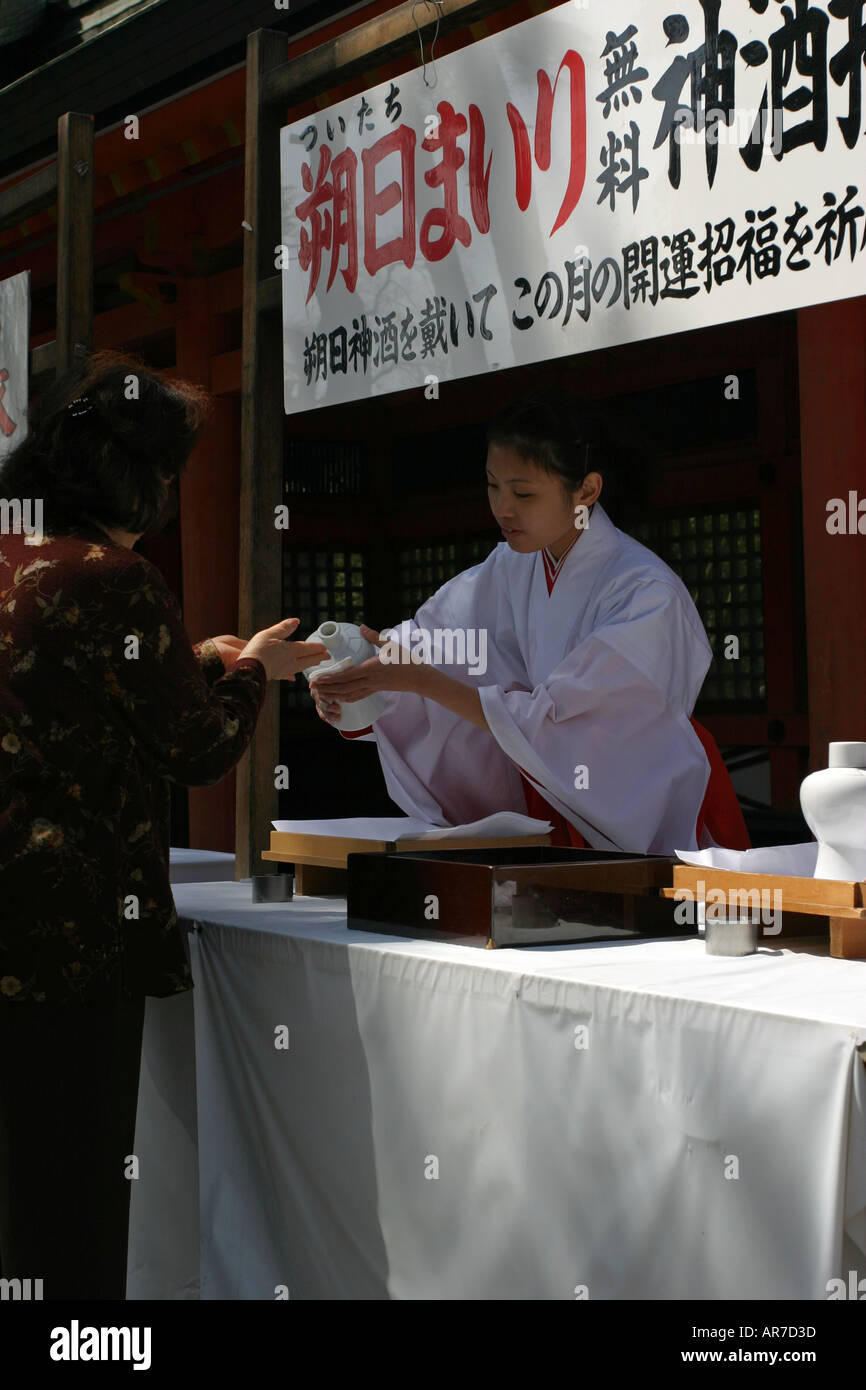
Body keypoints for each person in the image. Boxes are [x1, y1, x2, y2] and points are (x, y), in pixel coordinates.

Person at [0, 350, 327, 1299]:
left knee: (18, 1194)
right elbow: (194, 748)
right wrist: (251, 668)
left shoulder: (19, 558)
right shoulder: (113, 576)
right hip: (67, 933)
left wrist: (184, 659)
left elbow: (46, 689)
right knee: (71, 1205)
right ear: (132, 473)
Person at [311, 397, 750, 854]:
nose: (502, 508)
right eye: (492, 486)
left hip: (644, 807)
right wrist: (362, 673)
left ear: (586, 491)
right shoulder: (510, 568)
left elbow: (564, 724)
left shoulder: (645, 591)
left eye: (523, 494)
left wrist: (416, 679)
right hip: (547, 802)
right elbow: (433, 647)